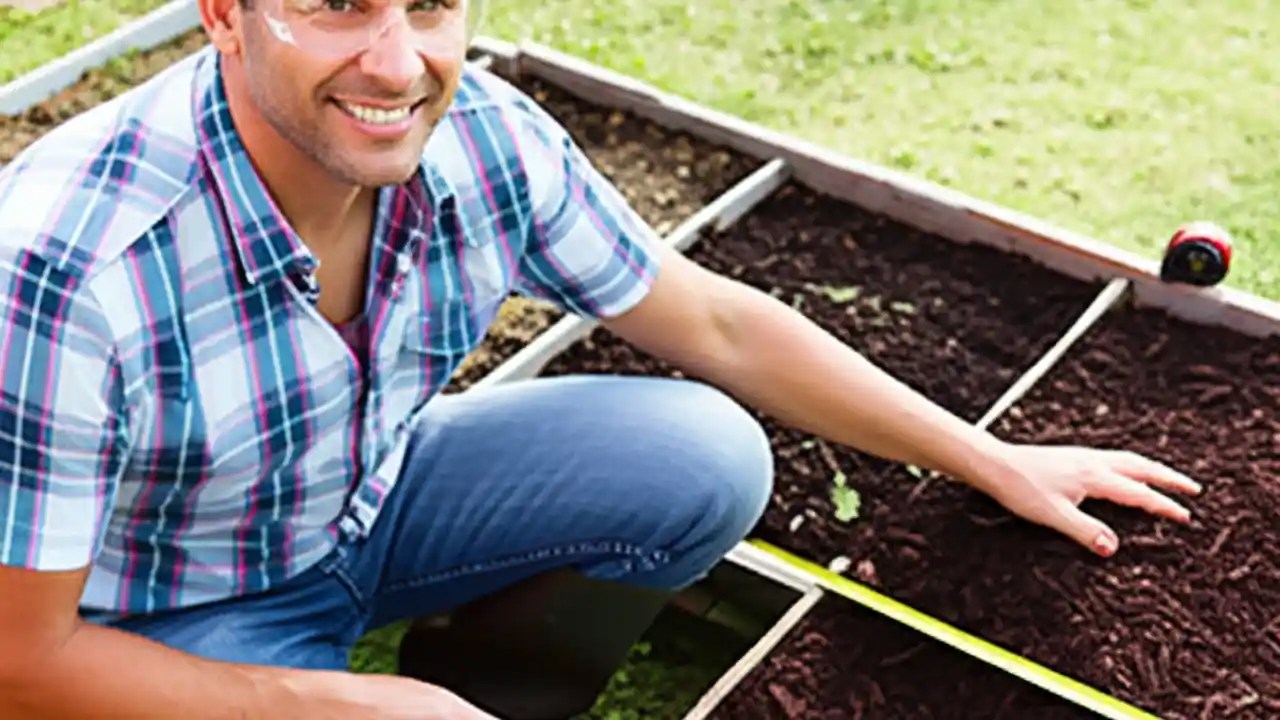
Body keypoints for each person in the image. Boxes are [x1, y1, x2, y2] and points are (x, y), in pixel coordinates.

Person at [0, 1, 1202, 718]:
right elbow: (21, 660)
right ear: (224, 11)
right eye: (333, 3)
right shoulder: (65, 268)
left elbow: (716, 325)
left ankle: (493, 689)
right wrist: (315, 701)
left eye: (426, 3)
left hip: (363, 506)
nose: (392, 61)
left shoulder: (481, 140)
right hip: (163, 610)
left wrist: (983, 456)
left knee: (700, 456)